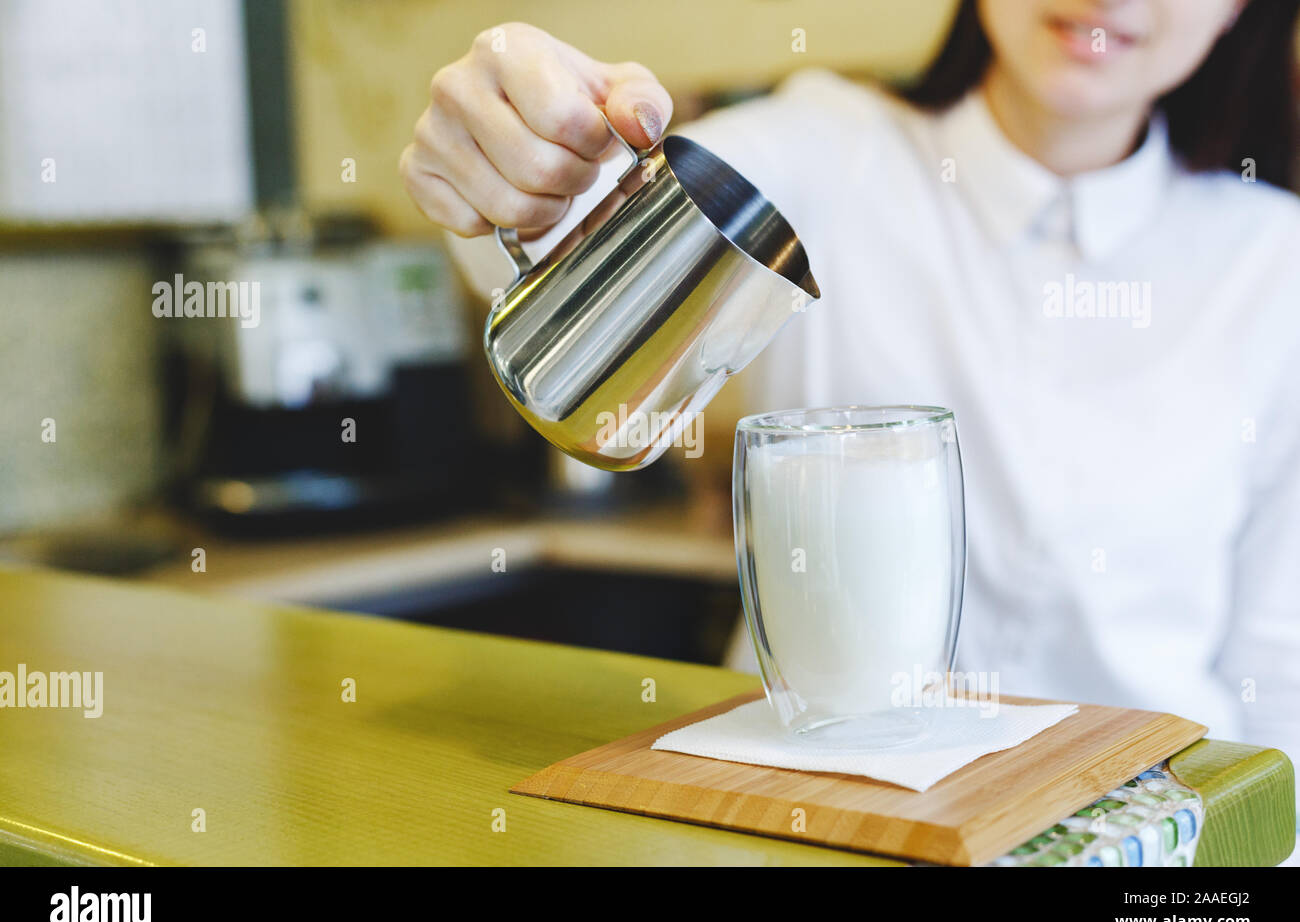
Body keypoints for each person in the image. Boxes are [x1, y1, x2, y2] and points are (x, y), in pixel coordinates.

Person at [400, 1, 1300, 775]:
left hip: (1150, 836)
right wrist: (517, 149)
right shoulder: (832, 148)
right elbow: (579, 225)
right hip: (812, 808)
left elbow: (1279, 665)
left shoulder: (1274, 262)